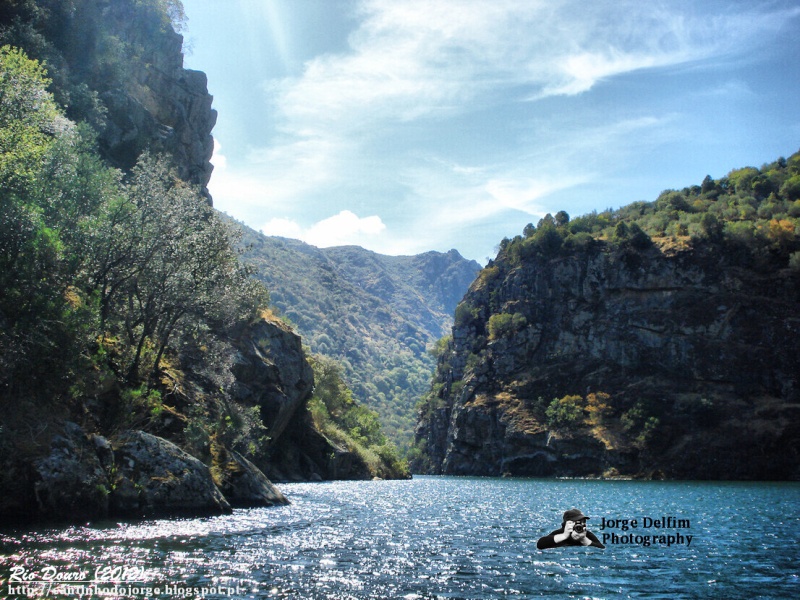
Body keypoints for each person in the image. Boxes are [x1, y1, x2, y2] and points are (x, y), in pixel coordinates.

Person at [537, 508, 605, 549]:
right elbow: (540, 544)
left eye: (583, 521)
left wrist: (584, 539)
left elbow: (601, 548)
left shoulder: (586, 534)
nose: (580, 524)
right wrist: (564, 536)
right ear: (567, 524)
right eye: (576, 522)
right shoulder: (559, 533)